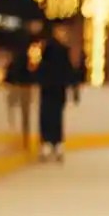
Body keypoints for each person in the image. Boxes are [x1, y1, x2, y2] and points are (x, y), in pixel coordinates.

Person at [34, 20, 80, 162]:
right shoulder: (58, 51)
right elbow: (68, 71)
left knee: (49, 116)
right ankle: (55, 143)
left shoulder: (49, 50)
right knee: (55, 117)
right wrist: (74, 87)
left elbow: (43, 70)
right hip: (56, 90)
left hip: (50, 90)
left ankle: (50, 143)